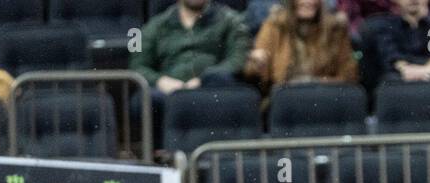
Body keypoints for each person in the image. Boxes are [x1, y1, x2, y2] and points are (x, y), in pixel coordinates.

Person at [130, 0, 251, 148]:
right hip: (169, 92)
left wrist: (203, 80)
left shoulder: (231, 20)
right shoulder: (157, 25)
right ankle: (160, 157)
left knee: (226, 82)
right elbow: (138, 66)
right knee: (143, 100)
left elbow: (237, 60)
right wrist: (161, 80)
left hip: (211, 87)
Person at [245, 0, 359, 97]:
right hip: (285, 99)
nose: (307, 2)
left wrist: (315, 83)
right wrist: (256, 63)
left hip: (324, 97)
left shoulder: (335, 29)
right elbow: (257, 74)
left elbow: (349, 74)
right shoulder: (274, 27)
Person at [375, 0, 430, 84]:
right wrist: (406, 69)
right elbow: (392, 54)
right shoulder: (387, 26)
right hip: (401, 78)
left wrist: (428, 69)